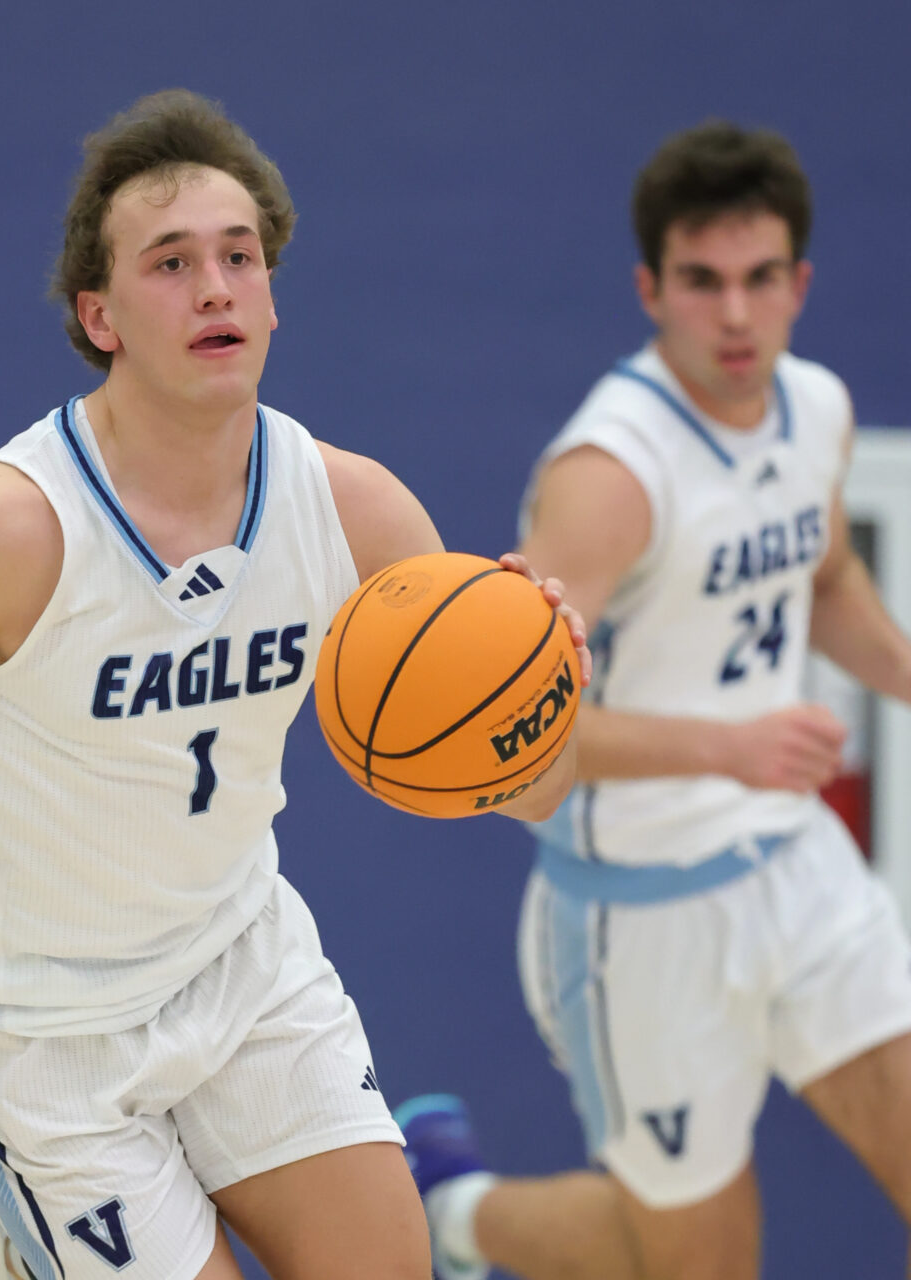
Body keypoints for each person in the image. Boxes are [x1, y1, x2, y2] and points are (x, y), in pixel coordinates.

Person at [0, 88, 585, 1280]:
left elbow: (521, 793)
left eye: (239, 257)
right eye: (171, 263)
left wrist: (544, 698)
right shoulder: (2, 523)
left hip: (244, 964)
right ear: (99, 314)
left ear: (273, 294)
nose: (216, 287)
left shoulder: (356, 507)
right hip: (39, 1026)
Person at [400, 121, 911, 1280]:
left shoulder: (815, 408)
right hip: (638, 917)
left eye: (759, 278)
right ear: (650, 289)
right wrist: (725, 746)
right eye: (701, 282)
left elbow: (821, 577)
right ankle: (453, 1208)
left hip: (794, 865)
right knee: (695, 1263)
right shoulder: (611, 476)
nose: (734, 314)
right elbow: (514, 732)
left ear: (799, 284)